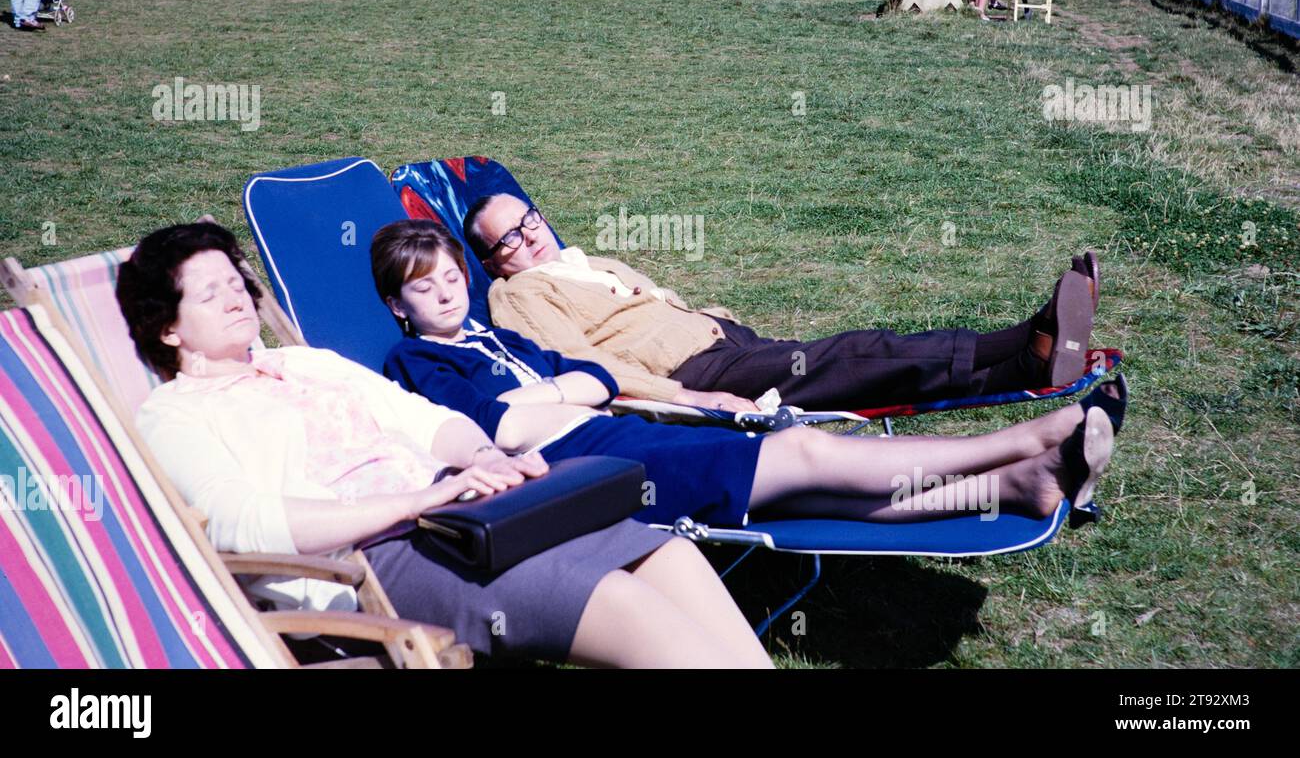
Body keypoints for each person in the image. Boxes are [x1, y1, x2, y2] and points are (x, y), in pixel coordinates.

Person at [116, 221, 772, 668]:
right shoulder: (172, 415)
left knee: (667, 551)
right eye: (211, 293)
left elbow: (423, 418)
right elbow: (245, 525)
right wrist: (419, 498)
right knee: (619, 600)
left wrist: (484, 457)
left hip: (467, 511)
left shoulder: (306, 361)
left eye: (236, 281)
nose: (236, 297)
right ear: (167, 327)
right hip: (377, 558)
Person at [372, 219, 1123, 530]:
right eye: (422, 286)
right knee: (803, 452)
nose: (444, 290)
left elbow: (585, 379)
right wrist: (571, 388)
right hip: (584, 459)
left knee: (816, 486)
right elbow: (504, 423)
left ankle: (1021, 485)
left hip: (616, 420)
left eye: (447, 275)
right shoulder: (421, 356)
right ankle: (1034, 430)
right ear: (397, 306)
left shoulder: (498, 330)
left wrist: (562, 387)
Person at [463, 194, 1092, 413]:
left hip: (722, 343)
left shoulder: (587, 260)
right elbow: (575, 366)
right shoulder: (517, 293)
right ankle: (1023, 338)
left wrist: (721, 320)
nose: (531, 234)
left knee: (853, 372)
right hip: (691, 376)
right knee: (855, 354)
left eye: (530, 218)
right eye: (511, 237)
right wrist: (684, 399)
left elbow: (659, 300)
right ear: (494, 259)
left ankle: (1019, 368)